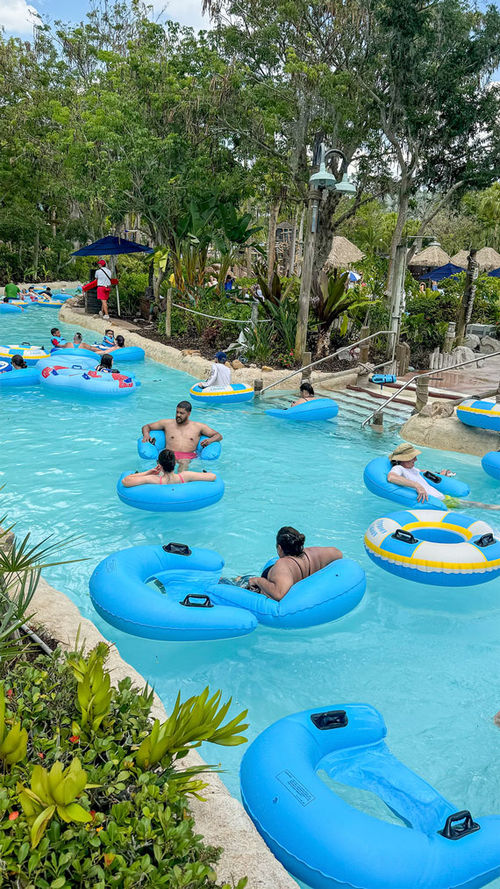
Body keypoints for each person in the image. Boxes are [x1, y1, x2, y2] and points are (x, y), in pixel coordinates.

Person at [223, 526, 343, 602]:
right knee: (241, 578)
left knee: (224, 582)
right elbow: (338, 554)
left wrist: (258, 581)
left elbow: (279, 594)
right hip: (297, 575)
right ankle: (240, 578)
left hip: (260, 590)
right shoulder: (314, 553)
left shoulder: (283, 565)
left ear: (280, 548)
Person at [141, 401, 222, 472]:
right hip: (169, 455)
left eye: (181, 413)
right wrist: (146, 434)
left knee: (184, 463)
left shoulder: (199, 427)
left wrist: (210, 441)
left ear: (189, 413)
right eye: (177, 412)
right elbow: (147, 426)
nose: (178, 415)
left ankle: (180, 481)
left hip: (187, 457)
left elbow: (218, 435)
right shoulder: (167, 423)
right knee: (162, 470)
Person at [121, 448, 216, 488]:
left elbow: (125, 481)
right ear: (174, 463)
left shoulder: (154, 479)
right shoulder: (186, 475)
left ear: (160, 465)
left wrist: (147, 472)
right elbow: (213, 477)